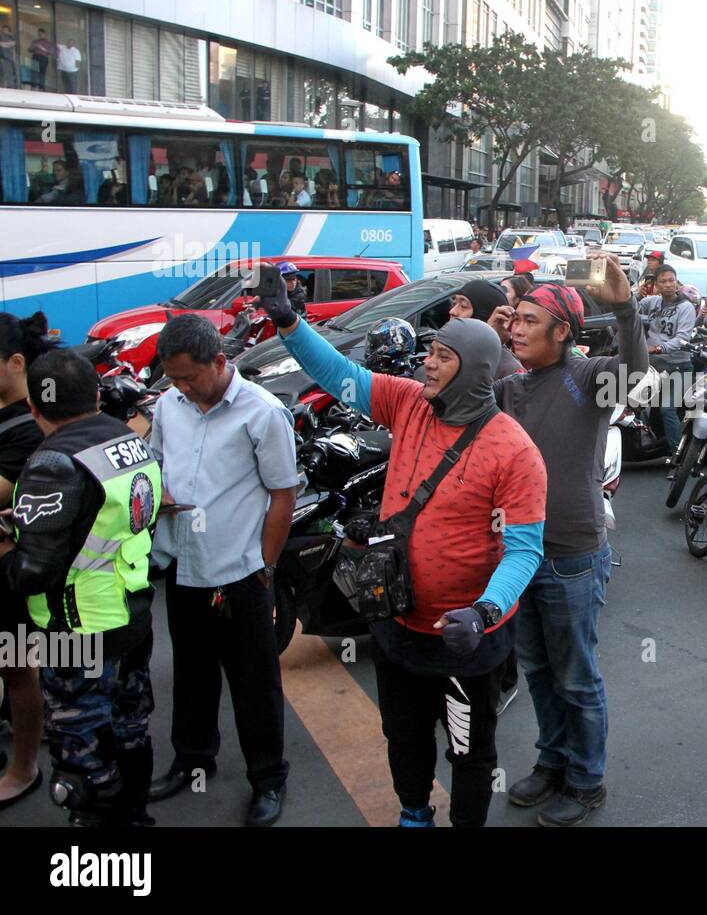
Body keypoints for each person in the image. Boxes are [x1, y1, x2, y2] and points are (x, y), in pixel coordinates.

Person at [260, 277, 547, 827]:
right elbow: (342, 377)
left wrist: (484, 610)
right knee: (404, 735)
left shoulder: (514, 451)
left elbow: (524, 551)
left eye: (443, 356)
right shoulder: (409, 403)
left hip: (469, 640)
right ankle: (414, 813)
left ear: (476, 369)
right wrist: (291, 325)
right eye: (431, 352)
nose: (428, 365)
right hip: (397, 627)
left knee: (469, 752)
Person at [492, 254, 648, 826]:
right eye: (516, 319)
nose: (518, 328)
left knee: (577, 678)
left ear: (563, 331)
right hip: (521, 558)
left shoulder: (586, 378)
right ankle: (552, 762)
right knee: (536, 670)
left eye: (531, 321)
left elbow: (634, 375)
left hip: (572, 557)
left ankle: (587, 782)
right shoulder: (512, 387)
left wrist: (627, 309)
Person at [146, 313, 298, 826]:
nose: (183, 388)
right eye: (174, 379)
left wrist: (265, 567)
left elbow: (283, 495)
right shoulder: (169, 406)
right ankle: (191, 759)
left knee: (254, 683)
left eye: (190, 377)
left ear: (219, 361)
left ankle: (268, 779)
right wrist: (160, 493)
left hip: (240, 573)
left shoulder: (263, 413)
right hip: (184, 567)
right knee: (190, 675)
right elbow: (156, 463)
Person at [0, 350, 162, 824]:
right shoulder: (127, 441)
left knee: (81, 756)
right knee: (131, 730)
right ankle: (134, 819)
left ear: (34, 406)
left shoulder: (52, 462)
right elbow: (99, 521)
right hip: (132, 617)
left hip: (79, 635)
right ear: (95, 394)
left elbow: (32, 573)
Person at [0, 313, 57, 811]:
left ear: (16, 363)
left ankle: (24, 767)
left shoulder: (28, 427)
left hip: (14, 571)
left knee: (17, 666)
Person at [636, 265, 697, 459]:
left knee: (667, 408)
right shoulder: (651, 302)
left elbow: (682, 339)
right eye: (663, 281)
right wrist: (637, 294)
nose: (669, 285)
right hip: (653, 364)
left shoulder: (686, 307)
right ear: (656, 285)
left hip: (678, 365)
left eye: (672, 280)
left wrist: (658, 348)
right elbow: (631, 312)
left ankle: (679, 456)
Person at [449, 279, 523, 378]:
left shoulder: (508, 370)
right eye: (454, 304)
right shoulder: (447, 347)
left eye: (463, 306)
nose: (452, 311)